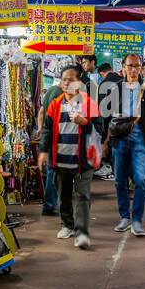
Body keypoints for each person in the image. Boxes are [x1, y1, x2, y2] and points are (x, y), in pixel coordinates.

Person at [38, 65, 103, 249]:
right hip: (60, 160)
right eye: (64, 79)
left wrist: (85, 122)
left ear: (79, 82)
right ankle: (68, 224)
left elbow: (100, 130)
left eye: (71, 79)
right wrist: (43, 152)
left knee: (82, 196)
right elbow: (47, 130)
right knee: (64, 196)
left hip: (83, 161)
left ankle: (82, 232)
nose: (67, 83)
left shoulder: (89, 104)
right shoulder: (55, 104)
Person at [108, 53, 145, 237]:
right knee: (120, 180)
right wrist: (106, 141)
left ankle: (137, 220)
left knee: (141, 180)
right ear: (123, 68)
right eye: (130, 66)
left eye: (137, 66)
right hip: (119, 139)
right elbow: (107, 116)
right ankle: (124, 217)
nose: (134, 70)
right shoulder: (115, 88)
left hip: (139, 140)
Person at [36, 64, 68, 216]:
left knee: (53, 171)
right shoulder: (60, 94)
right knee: (53, 172)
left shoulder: (50, 91)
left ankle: (51, 203)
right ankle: (49, 205)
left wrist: (41, 129)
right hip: (57, 137)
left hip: (50, 136)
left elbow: (41, 112)